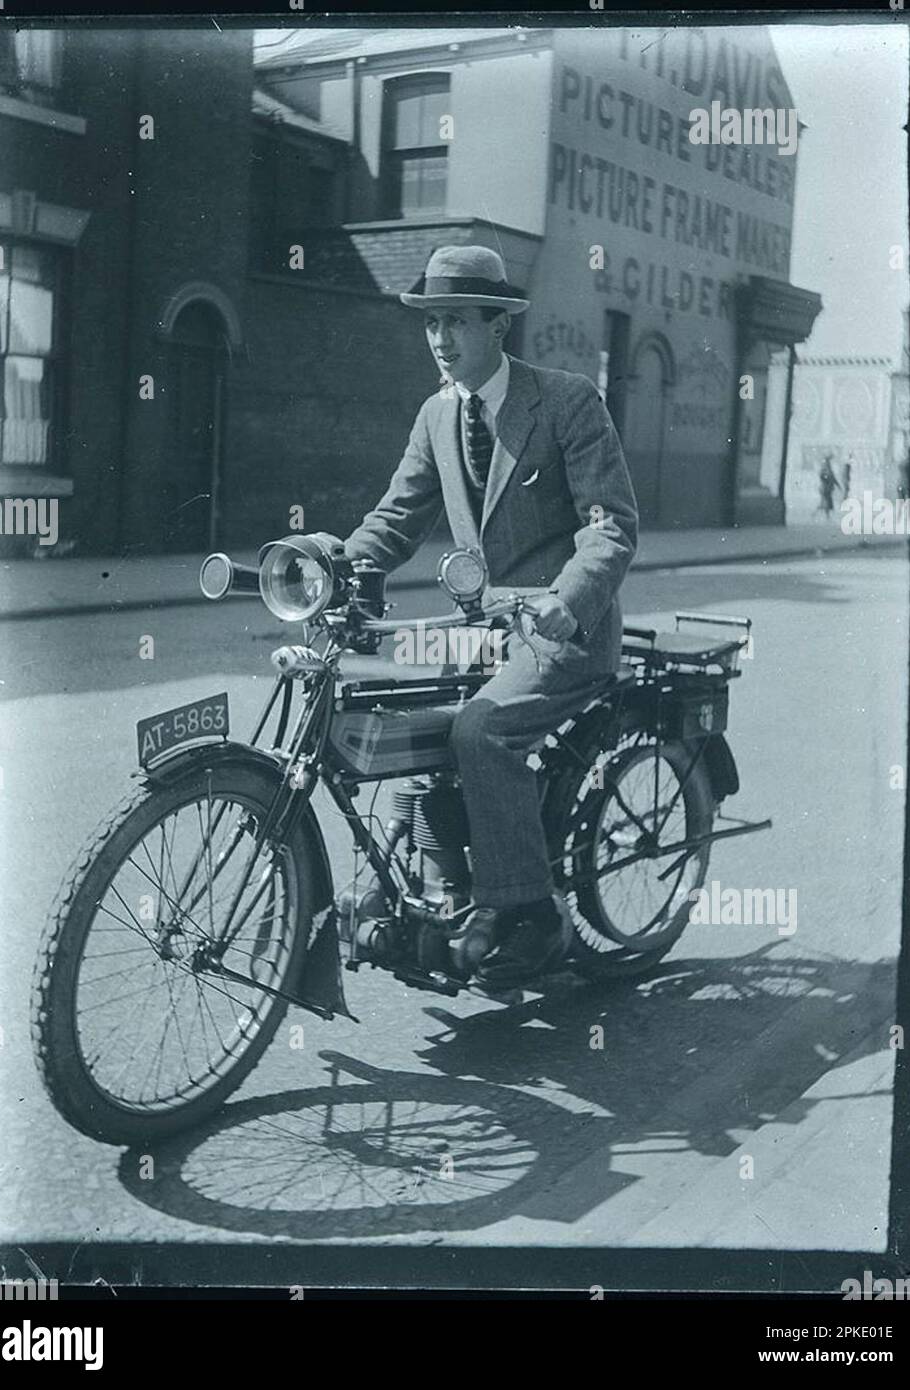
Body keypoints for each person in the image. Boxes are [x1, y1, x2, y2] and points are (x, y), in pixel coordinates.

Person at [341, 246, 638, 987]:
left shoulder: (567, 400)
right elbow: (396, 516)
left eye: (456, 322)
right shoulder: (437, 414)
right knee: (389, 710)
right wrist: (335, 569)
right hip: (481, 635)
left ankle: (529, 912)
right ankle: (422, 887)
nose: (440, 339)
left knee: (481, 730)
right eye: (431, 323)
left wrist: (568, 605)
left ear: (498, 326)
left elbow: (609, 525)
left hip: (561, 635)